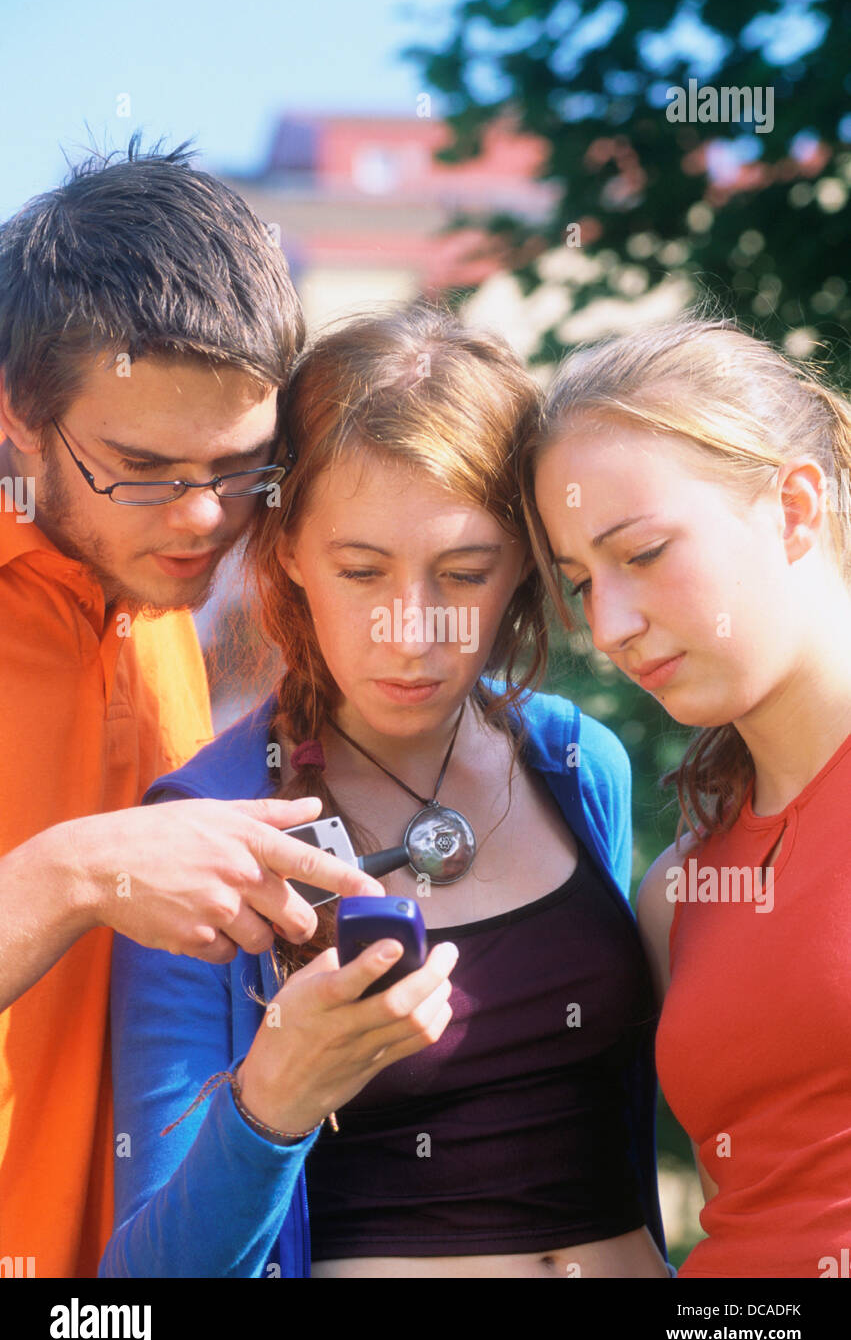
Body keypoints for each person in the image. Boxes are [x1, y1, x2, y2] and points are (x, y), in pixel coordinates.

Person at [100, 304, 669, 1279]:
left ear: (524, 562)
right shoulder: (202, 826)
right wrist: (272, 1099)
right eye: (361, 571)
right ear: (285, 550)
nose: (411, 632)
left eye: (463, 571)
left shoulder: (578, 762)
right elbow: (143, 1286)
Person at [0, 137, 383, 1278]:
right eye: (145, 467)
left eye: (238, 467)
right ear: (18, 413)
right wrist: (74, 874)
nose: (204, 521)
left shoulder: (158, 592)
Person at [521, 313, 851, 1278]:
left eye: (646, 552)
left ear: (795, 508)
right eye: (578, 583)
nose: (607, 626)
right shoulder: (679, 893)